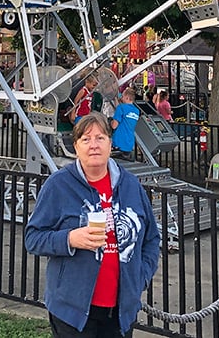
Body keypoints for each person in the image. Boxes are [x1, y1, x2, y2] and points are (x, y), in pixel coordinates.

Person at [25, 112, 160, 338]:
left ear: (110, 143)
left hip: (119, 311)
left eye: (100, 138)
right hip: (73, 312)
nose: (93, 145)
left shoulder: (130, 186)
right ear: (76, 147)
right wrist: (69, 239)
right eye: (86, 140)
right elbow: (33, 238)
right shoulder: (59, 185)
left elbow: (151, 238)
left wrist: (140, 277)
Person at [111, 88, 140, 161]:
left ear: (127, 97)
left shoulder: (121, 108)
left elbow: (114, 126)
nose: (121, 98)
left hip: (119, 142)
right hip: (129, 143)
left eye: (122, 96)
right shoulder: (136, 111)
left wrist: (110, 121)